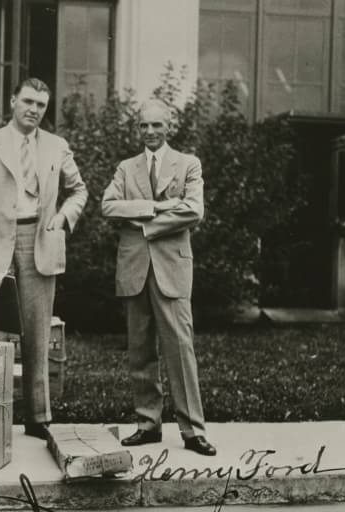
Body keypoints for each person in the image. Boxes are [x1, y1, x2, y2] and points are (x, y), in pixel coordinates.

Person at [0, 78, 88, 440]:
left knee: (37, 332)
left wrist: (63, 217)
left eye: (41, 105)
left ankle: (38, 417)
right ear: (13, 101)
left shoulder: (57, 146)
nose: (34, 110)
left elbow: (79, 190)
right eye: (28, 101)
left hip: (39, 241)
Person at [101, 99, 215, 456]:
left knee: (180, 348)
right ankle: (147, 424)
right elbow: (108, 206)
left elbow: (193, 210)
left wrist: (144, 225)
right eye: (143, 125)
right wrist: (159, 206)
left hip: (172, 268)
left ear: (170, 126)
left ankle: (193, 430)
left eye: (156, 125)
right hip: (134, 267)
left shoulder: (188, 164)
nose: (149, 131)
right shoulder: (126, 168)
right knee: (140, 349)